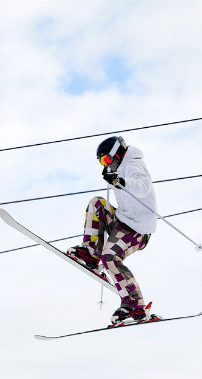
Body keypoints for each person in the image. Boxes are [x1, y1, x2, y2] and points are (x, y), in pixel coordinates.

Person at [67, 136, 158, 324]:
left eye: (107, 160)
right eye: (102, 162)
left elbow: (143, 187)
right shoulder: (118, 169)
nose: (106, 164)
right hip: (124, 220)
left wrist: (120, 181)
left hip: (138, 230)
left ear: (117, 153)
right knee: (97, 203)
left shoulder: (133, 164)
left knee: (109, 257)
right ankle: (91, 252)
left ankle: (134, 304)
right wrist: (115, 179)